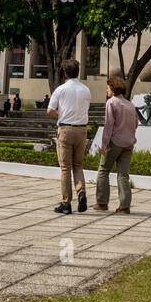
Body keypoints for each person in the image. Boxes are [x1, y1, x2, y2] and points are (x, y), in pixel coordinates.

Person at [47, 59, 91, 215]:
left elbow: (50, 110)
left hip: (65, 129)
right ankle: (81, 192)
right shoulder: (86, 90)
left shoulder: (60, 89)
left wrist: (61, 113)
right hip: (82, 130)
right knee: (78, 165)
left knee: (65, 168)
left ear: (65, 73)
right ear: (78, 71)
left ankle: (66, 203)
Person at [94, 75, 138, 215]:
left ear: (113, 89)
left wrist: (104, 144)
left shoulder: (111, 102)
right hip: (129, 143)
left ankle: (102, 202)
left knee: (103, 170)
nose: (106, 90)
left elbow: (108, 125)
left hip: (115, 142)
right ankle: (125, 206)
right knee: (123, 175)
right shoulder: (130, 104)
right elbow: (136, 124)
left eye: (107, 88)